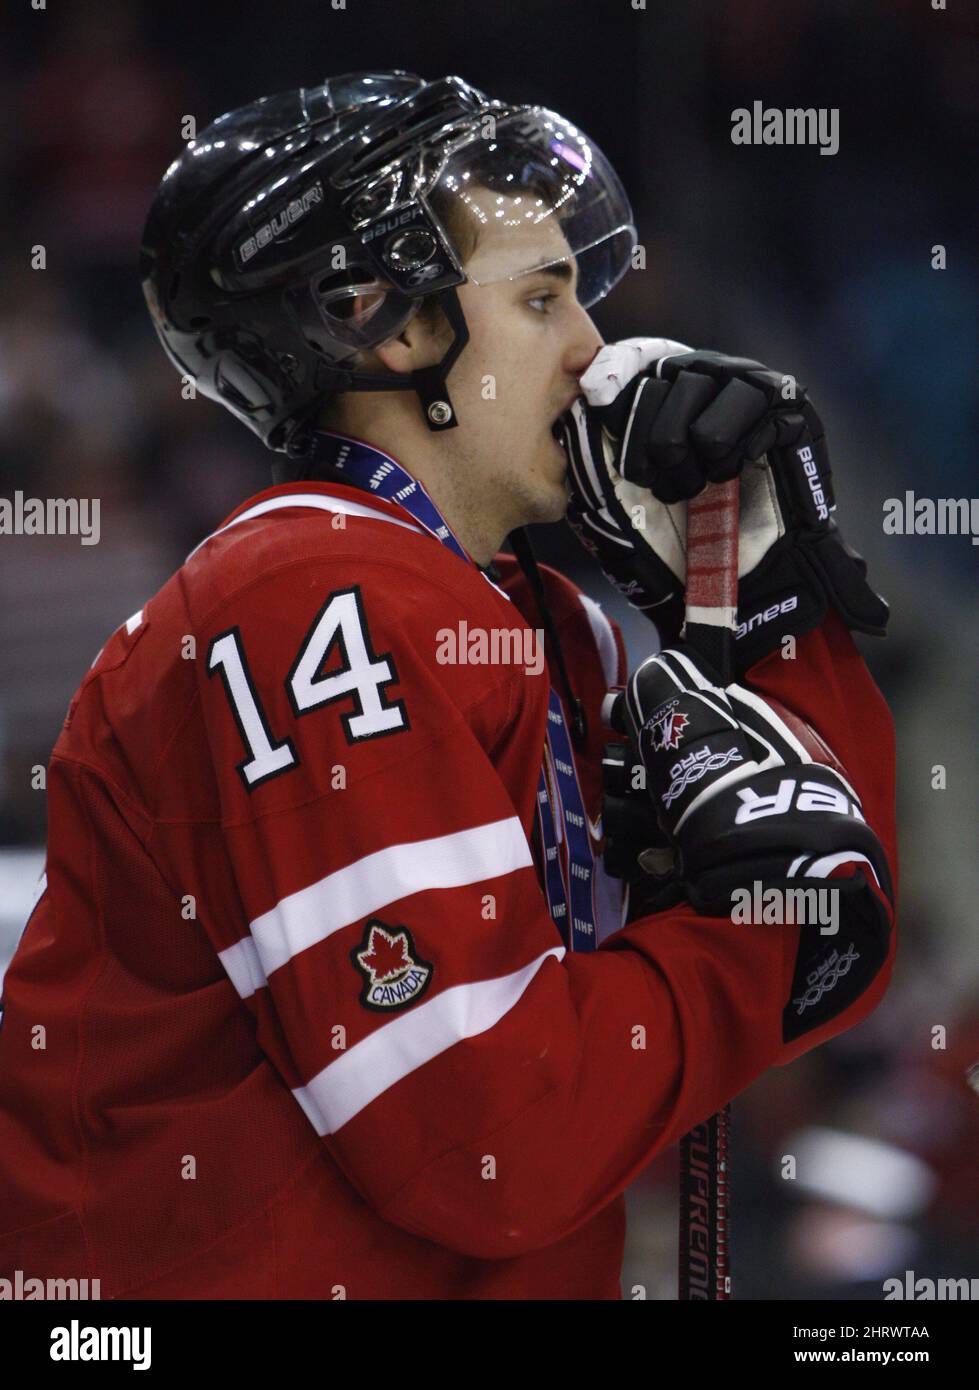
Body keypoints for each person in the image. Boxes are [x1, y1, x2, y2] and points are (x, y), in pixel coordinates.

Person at [0, 72, 896, 1300]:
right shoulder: (305, 599)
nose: (595, 350)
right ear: (389, 323)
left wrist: (772, 585)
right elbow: (484, 1146)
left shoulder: (535, 621)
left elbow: (837, 908)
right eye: (541, 298)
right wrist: (755, 942)